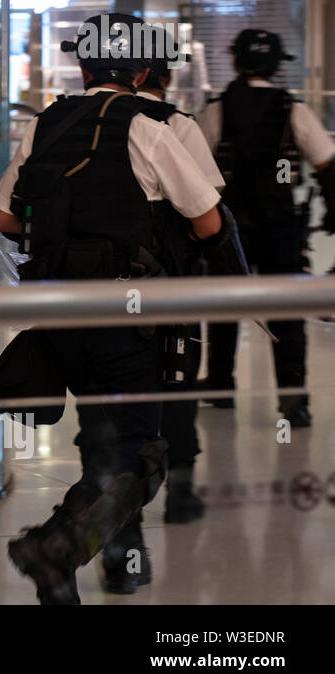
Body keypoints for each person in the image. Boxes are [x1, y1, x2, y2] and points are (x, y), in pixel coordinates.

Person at [0, 13, 232, 604]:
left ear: (83, 65)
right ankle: (58, 546)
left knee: (101, 437)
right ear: (144, 72)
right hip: (131, 316)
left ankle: (83, 577)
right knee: (139, 455)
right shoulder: (150, 126)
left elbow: (4, 218)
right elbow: (208, 221)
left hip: (59, 312)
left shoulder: (46, 123)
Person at [198, 29, 335, 428]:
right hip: (280, 227)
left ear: (236, 62)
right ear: (276, 67)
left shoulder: (218, 109)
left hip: (229, 227)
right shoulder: (292, 109)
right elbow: (326, 164)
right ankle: (293, 403)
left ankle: (221, 385)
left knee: (224, 306)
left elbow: (195, 166)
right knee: (287, 314)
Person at [134, 41, 224, 526]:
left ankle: (120, 518)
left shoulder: (70, 124)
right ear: (161, 77)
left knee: (113, 398)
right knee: (177, 385)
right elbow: (208, 213)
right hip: (171, 287)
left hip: (93, 293)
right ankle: (180, 496)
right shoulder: (175, 125)